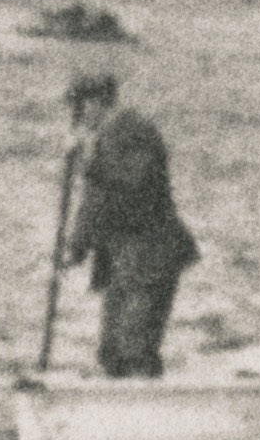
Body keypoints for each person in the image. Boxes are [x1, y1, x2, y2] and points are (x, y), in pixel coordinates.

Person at [59, 69, 200, 380]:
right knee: (111, 351)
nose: (77, 118)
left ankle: (148, 417)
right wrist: (76, 248)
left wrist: (88, 161)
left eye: (79, 109)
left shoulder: (134, 130)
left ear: (97, 103)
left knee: (135, 345)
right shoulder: (101, 141)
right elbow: (95, 203)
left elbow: (136, 182)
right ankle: (115, 417)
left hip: (153, 257)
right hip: (121, 261)